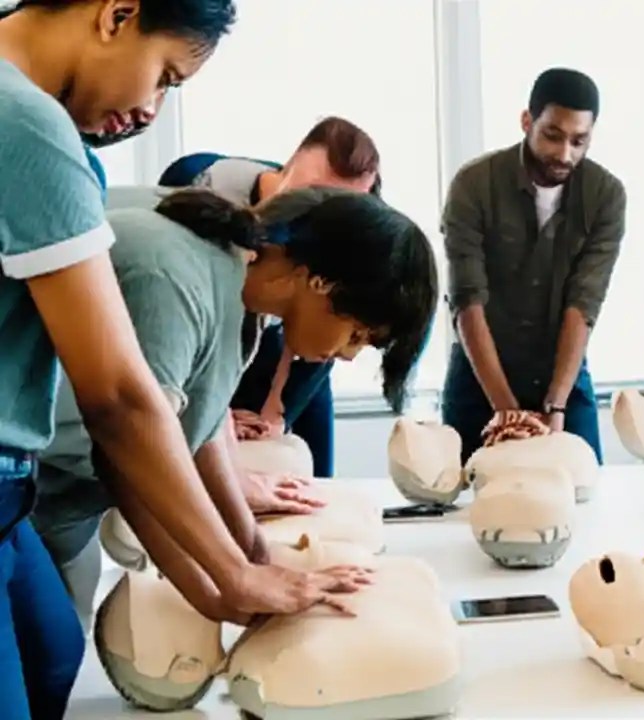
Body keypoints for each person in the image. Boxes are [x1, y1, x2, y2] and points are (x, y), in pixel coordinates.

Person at [0, 1, 364, 716]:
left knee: (54, 655)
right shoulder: (29, 127)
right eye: (163, 76)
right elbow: (121, 401)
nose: (148, 110)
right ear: (118, 13)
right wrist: (229, 579)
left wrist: (243, 560)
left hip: (15, 487)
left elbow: (186, 426)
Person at [32, 186, 437, 630]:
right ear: (321, 282)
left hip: (56, 503)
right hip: (23, 486)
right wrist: (226, 584)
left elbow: (198, 430)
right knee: (47, 658)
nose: (348, 355)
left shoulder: (240, 296)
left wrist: (256, 553)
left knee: (53, 658)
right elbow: (127, 450)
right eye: (357, 335)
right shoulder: (173, 276)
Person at [158, 115, 383, 477]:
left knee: (308, 478)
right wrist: (216, 414)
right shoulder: (205, 183)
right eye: (311, 191)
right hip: (215, 337)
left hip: (296, 353)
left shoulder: (348, 232)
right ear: (286, 167)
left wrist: (277, 411)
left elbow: (331, 323)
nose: (319, 211)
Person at [441, 67, 625, 464]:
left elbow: (584, 303)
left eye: (580, 141)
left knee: (579, 496)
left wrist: (555, 406)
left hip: (562, 376)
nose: (565, 154)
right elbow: (467, 302)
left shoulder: (606, 195)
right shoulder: (474, 185)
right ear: (527, 121)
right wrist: (507, 413)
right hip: (480, 377)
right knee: (471, 506)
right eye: (552, 135)